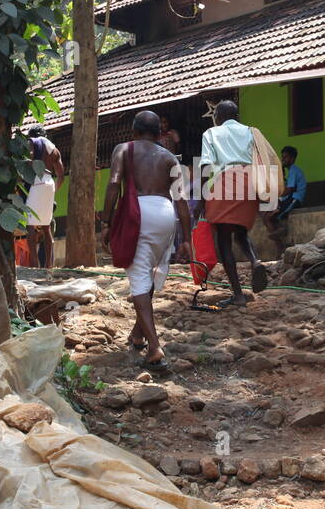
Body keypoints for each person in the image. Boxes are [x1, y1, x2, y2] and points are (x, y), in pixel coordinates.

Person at [100, 110, 192, 370]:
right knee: (147, 274)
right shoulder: (170, 157)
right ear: (159, 133)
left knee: (139, 277)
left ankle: (154, 348)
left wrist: (106, 221)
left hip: (138, 213)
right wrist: (187, 238)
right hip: (165, 215)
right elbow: (182, 200)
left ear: (134, 130)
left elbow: (114, 182)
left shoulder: (124, 148)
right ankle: (138, 333)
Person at [200, 100, 271, 305]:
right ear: (236, 116)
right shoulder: (250, 131)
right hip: (249, 181)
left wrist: (202, 198)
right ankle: (254, 260)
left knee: (224, 239)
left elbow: (205, 165)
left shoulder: (211, 133)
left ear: (218, 117)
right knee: (240, 232)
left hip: (225, 180)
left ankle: (238, 295)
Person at [24, 125, 64, 268]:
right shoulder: (55, 150)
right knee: (46, 226)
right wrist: (53, 191)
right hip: (49, 183)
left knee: (30, 224)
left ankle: (34, 265)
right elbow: (60, 175)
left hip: (37, 181)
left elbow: (28, 157)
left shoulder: (33, 142)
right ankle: (48, 266)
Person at [264, 145, 307, 240]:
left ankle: (282, 229)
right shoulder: (290, 171)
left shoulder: (294, 171)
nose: (283, 159)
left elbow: (289, 190)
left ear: (292, 158)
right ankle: (279, 235)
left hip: (295, 199)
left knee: (275, 214)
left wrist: (274, 195)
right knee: (269, 215)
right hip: (289, 198)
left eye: (285, 157)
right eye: (282, 157)